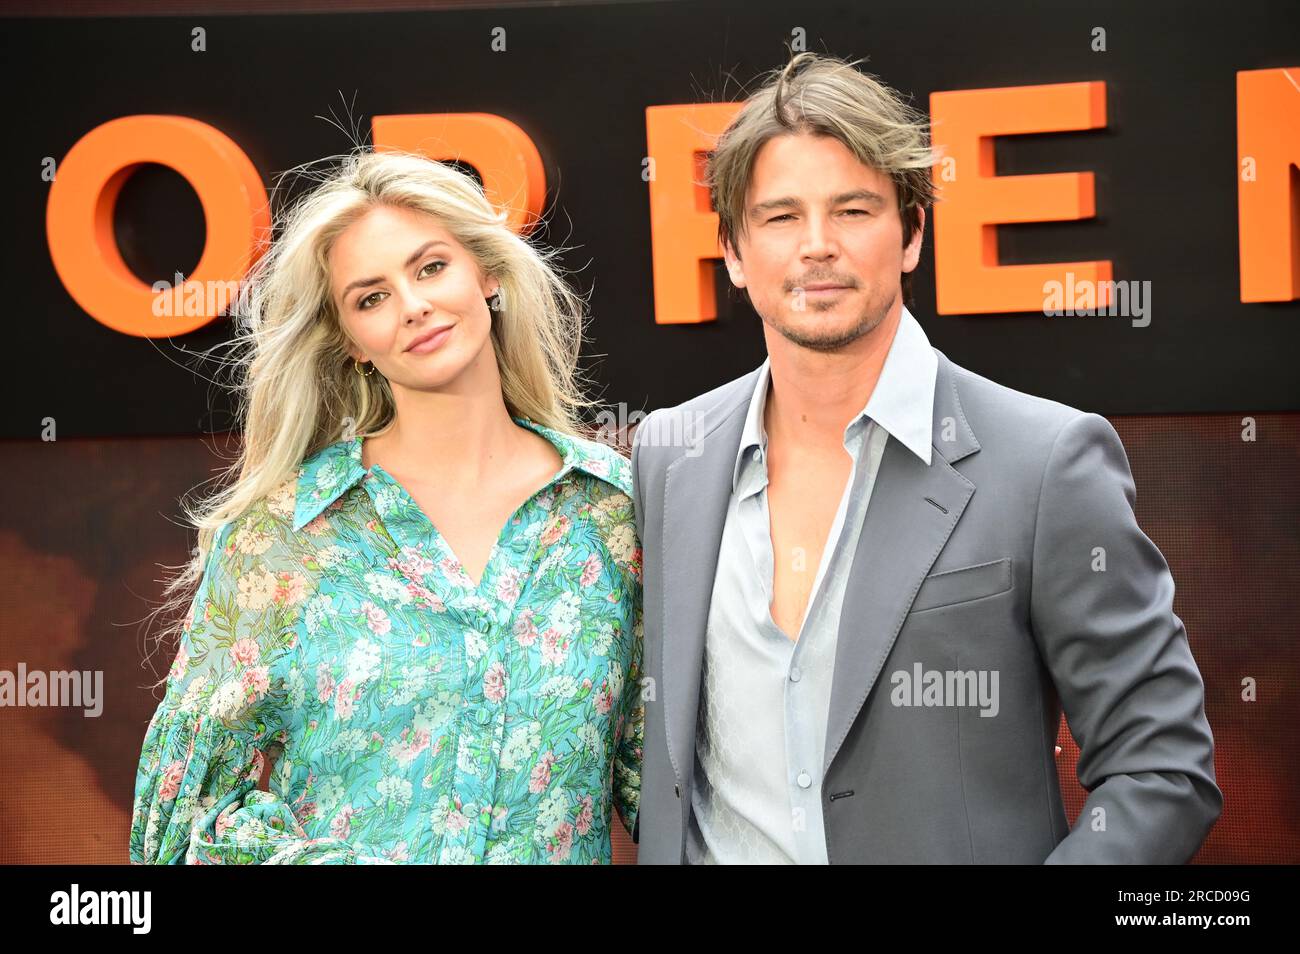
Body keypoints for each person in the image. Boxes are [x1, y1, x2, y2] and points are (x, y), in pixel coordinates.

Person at [630, 53, 1221, 863]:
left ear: (911, 234)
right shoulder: (668, 454)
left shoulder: (1046, 460)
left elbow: (1163, 767)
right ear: (732, 252)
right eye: (779, 217)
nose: (817, 247)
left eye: (853, 210)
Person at [130, 149, 643, 864]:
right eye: (371, 297)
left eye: (431, 267)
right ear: (352, 343)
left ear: (486, 273)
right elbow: (183, 827)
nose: (413, 305)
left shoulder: (614, 514)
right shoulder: (284, 537)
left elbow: (679, 789)